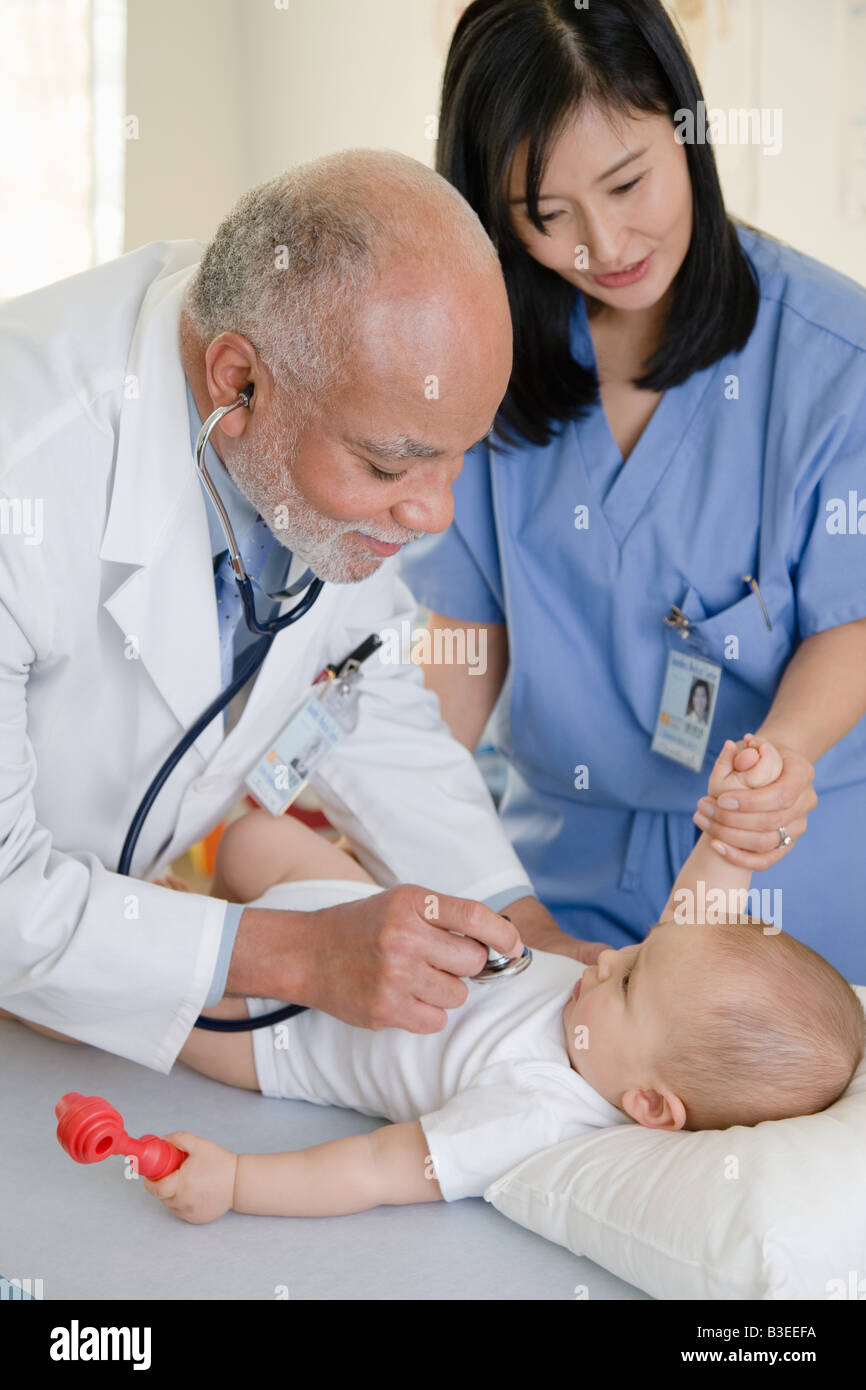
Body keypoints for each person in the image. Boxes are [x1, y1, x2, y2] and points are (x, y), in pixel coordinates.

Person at [0, 148, 579, 1072]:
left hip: (69, 997)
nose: (437, 513)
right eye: (392, 466)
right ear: (237, 385)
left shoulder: (321, 376)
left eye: (460, 453)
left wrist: (516, 919)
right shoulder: (25, 467)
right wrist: (302, 955)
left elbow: (359, 692)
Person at [399, 0, 866, 981]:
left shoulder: (834, 361)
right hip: (556, 883)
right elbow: (456, 648)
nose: (604, 244)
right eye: (546, 215)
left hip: (790, 877)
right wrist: (386, 798)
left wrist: (775, 761)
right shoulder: (487, 370)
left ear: (684, 130)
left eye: (626, 182)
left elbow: (849, 615)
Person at [137, 734, 865, 1223]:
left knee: (144, 997)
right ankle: (204, 911)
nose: (605, 958)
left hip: (291, 1030)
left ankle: (151, 928)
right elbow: (700, 910)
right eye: (639, 952)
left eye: (627, 983)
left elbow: (371, 1168)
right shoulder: (649, 1026)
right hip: (350, 917)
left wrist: (236, 1182)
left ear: (649, 1105)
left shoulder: (536, 1113)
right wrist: (734, 821)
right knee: (252, 840)